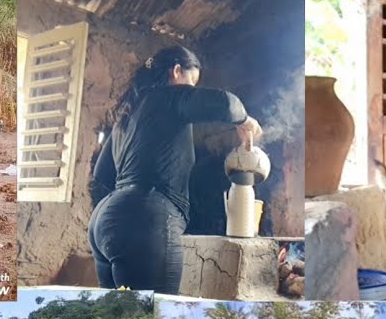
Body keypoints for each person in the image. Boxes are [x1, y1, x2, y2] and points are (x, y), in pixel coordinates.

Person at [88, 46, 264, 294]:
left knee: (116, 316)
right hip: (147, 217)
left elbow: (101, 176)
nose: (190, 90)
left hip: (103, 222)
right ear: (177, 71)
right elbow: (226, 104)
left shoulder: (126, 116)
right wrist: (246, 120)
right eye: (191, 82)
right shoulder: (168, 97)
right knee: (151, 317)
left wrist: (118, 218)